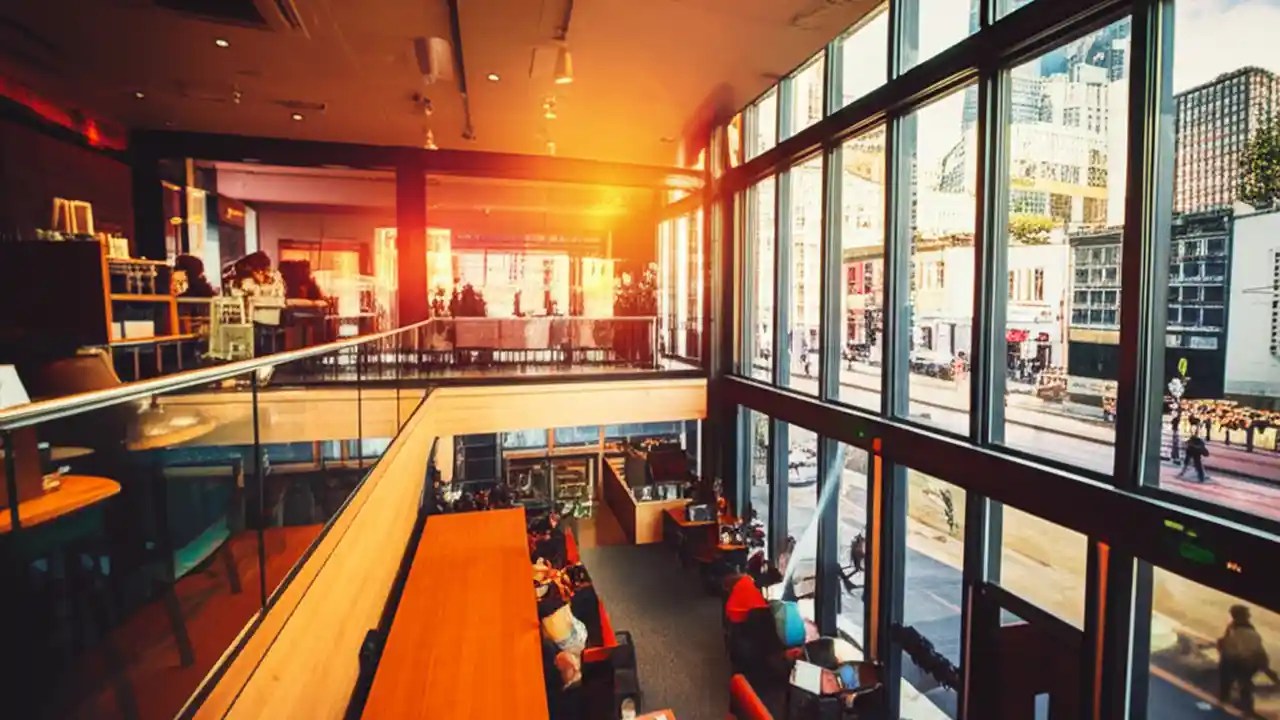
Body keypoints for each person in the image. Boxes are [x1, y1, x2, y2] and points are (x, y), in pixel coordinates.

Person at [1219, 604, 1280, 715]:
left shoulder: (1238, 628)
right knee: (1243, 683)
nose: (1250, 615)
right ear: (1242, 616)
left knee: (1237, 682)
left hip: (1238, 660)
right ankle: (1244, 708)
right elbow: (1255, 652)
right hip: (1241, 661)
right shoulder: (1243, 630)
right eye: (1247, 614)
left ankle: (1229, 701)